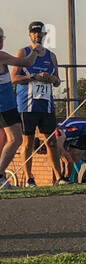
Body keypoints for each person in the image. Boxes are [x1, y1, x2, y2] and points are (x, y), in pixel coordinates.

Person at [11, 22, 64, 188]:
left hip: (46, 104)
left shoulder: (51, 56)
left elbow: (57, 81)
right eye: (33, 33)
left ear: (44, 34)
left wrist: (52, 79)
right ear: (29, 35)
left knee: (51, 141)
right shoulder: (23, 53)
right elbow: (14, 78)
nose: (37, 35)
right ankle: (29, 178)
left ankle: (58, 177)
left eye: (39, 33)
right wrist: (34, 77)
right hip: (27, 105)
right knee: (28, 141)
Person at [0, 27, 38, 189]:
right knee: (16, 139)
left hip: (7, 104)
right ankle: (0, 174)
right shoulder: (1, 55)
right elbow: (27, 62)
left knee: (4, 140)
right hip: (4, 105)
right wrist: (35, 49)